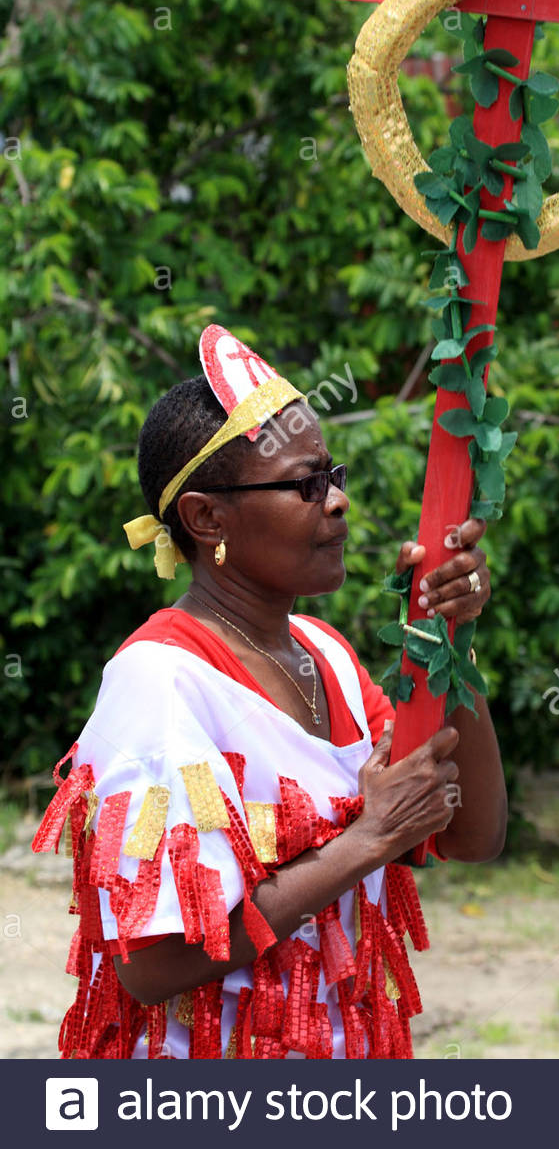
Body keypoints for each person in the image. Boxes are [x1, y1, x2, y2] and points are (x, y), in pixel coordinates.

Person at [32, 324, 507, 1060]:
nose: (339, 501)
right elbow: (153, 966)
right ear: (206, 517)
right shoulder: (161, 682)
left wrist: (449, 638)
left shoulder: (329, 657)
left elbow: (471, 835)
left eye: (334, 475)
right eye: (306, 484)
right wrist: (368, 840)